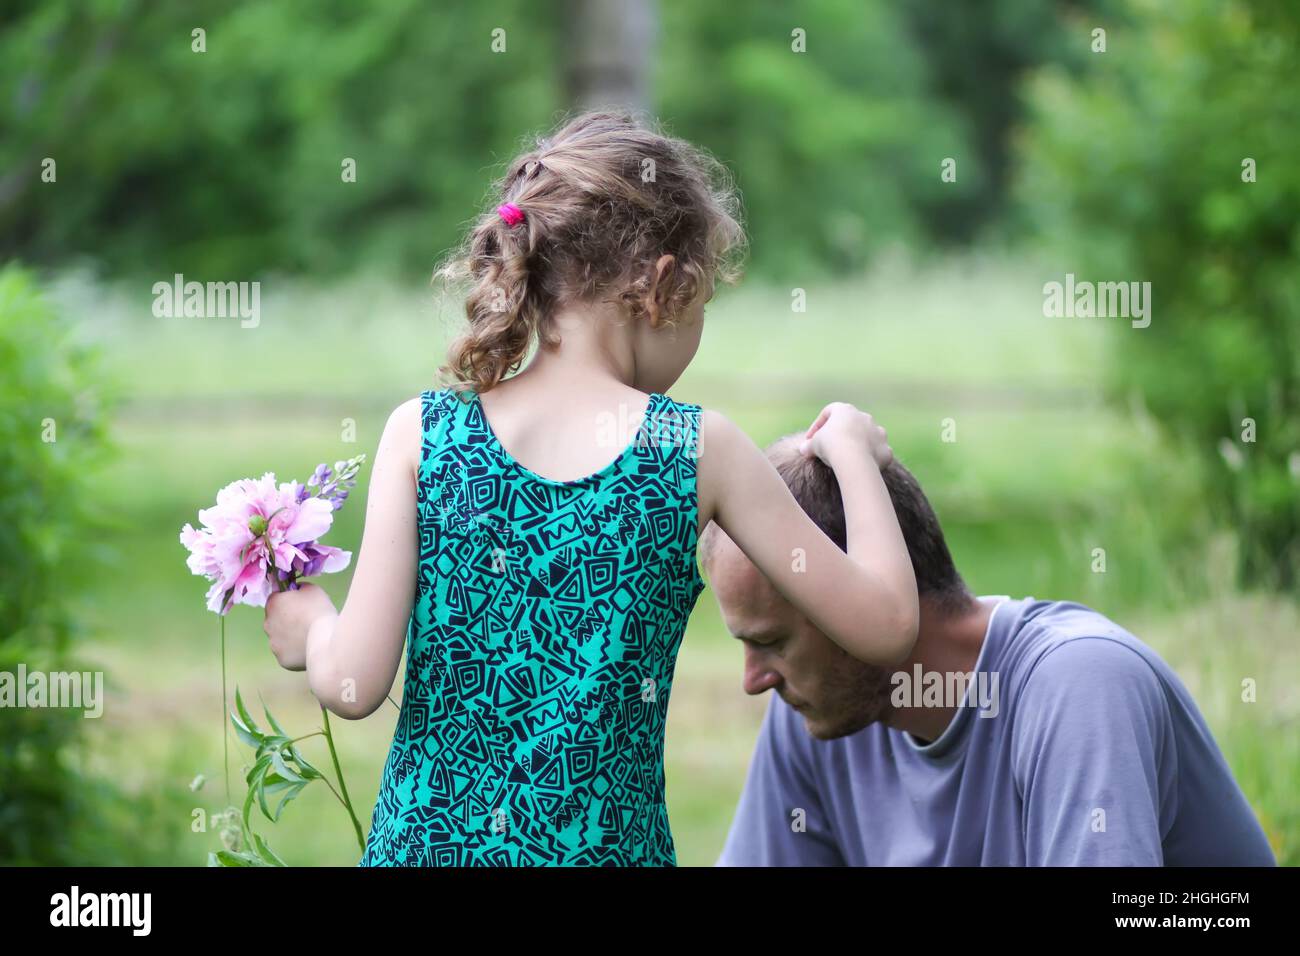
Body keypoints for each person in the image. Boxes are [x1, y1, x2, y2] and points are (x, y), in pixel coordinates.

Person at [259, 111, 921, 866]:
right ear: (665, 284)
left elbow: (351, 685)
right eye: (702, 308)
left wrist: (312, 628)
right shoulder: (695, 448)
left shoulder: (424, 435)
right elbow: (888, 624)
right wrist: (852, 449)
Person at [705, 434, 1278, 866]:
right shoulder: (816, 718)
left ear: (862, 597)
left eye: (772, 642)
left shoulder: (1080, 687)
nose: (754, 680)